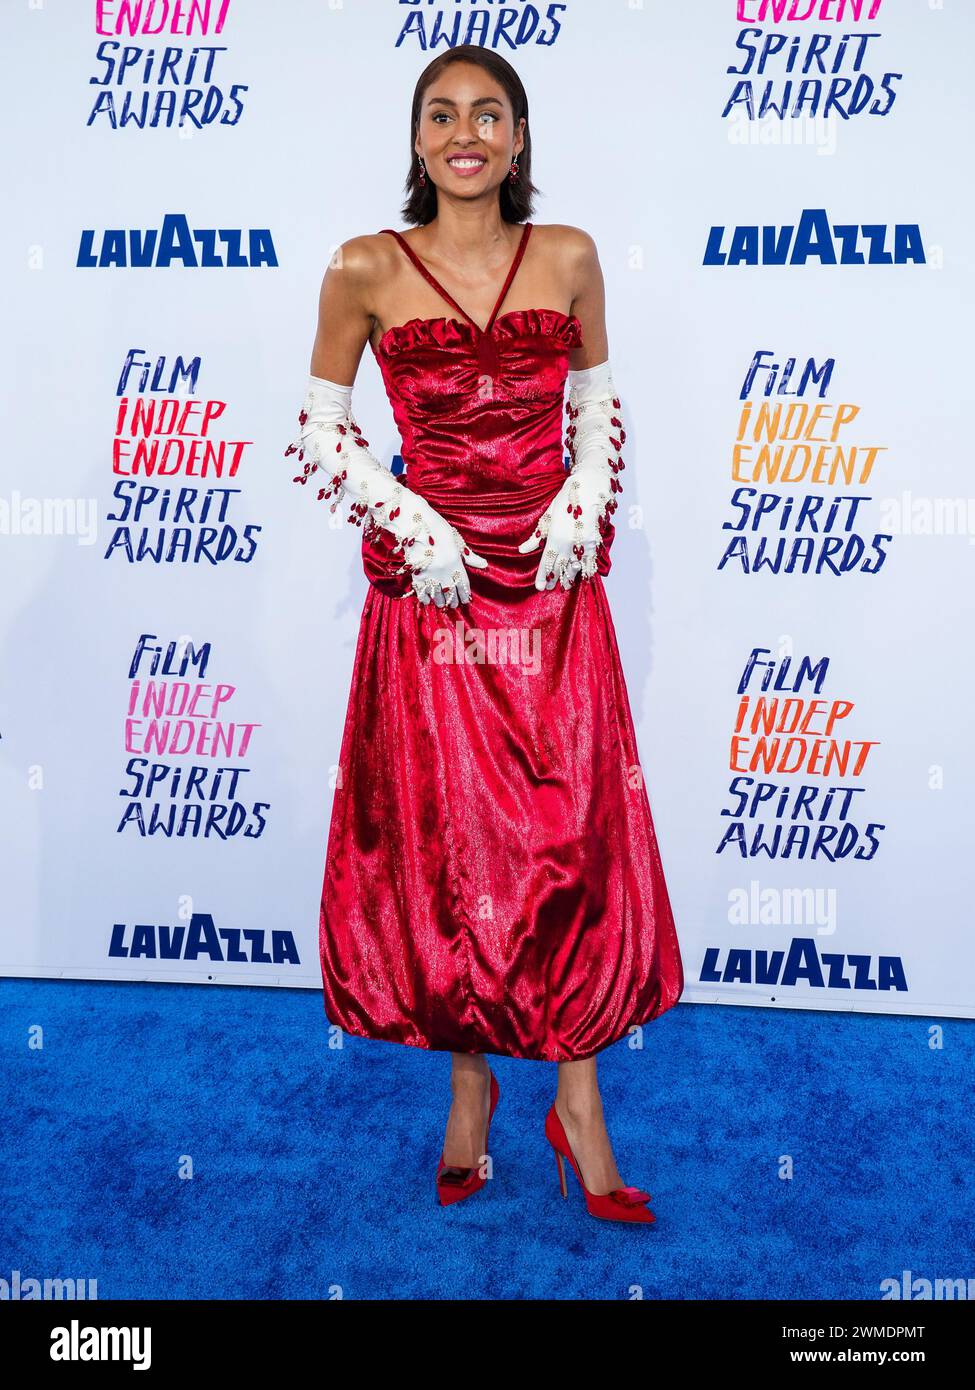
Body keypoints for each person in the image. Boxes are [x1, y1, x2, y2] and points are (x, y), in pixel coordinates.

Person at [285, 45, 683, 1223]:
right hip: (436, 598)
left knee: (568, 839)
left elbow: (599, 398)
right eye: (442, 114)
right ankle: (470, 1093)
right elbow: (318, 429)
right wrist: (410, 518)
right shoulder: (362, 266)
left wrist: (581, 497)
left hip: (553, 592)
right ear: (419, 141)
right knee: (457, 852)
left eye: (489, 113)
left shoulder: (568, 256)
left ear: (519, 137)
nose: (466, 131)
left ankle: (579, 1102)